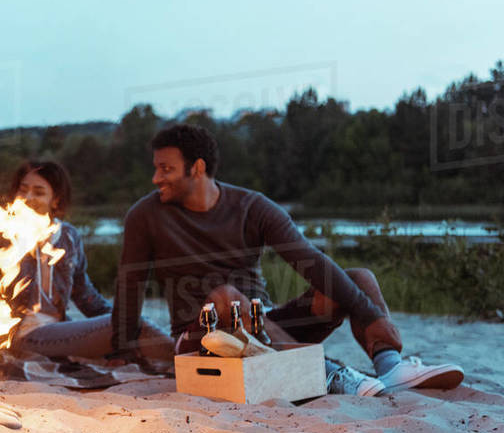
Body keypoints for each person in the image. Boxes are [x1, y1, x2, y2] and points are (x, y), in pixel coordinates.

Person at [112, 123, 465, 396]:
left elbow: (308, 260)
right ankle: (322, 372)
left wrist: (369, 313)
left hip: (266, 327)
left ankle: (390, 367)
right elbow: (130, 286)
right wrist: (121, 349)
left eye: (166, 169)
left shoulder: (252, 206)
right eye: (156, 168)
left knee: (357, 278)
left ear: (197, 168)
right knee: (226, 296)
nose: (156, 178)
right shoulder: (145, 215)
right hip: (202, 337)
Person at [0, 160, 175, 372]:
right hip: (21, 334)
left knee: (131, 323)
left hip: (58, 330)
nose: (28, 198)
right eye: (23, 190)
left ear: (56, 200)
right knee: (132, 326)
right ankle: (187, 358)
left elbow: (86, 297)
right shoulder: (2, 230)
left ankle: (186, 363)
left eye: (39, 192)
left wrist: (122, 318)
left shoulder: (68, 237)